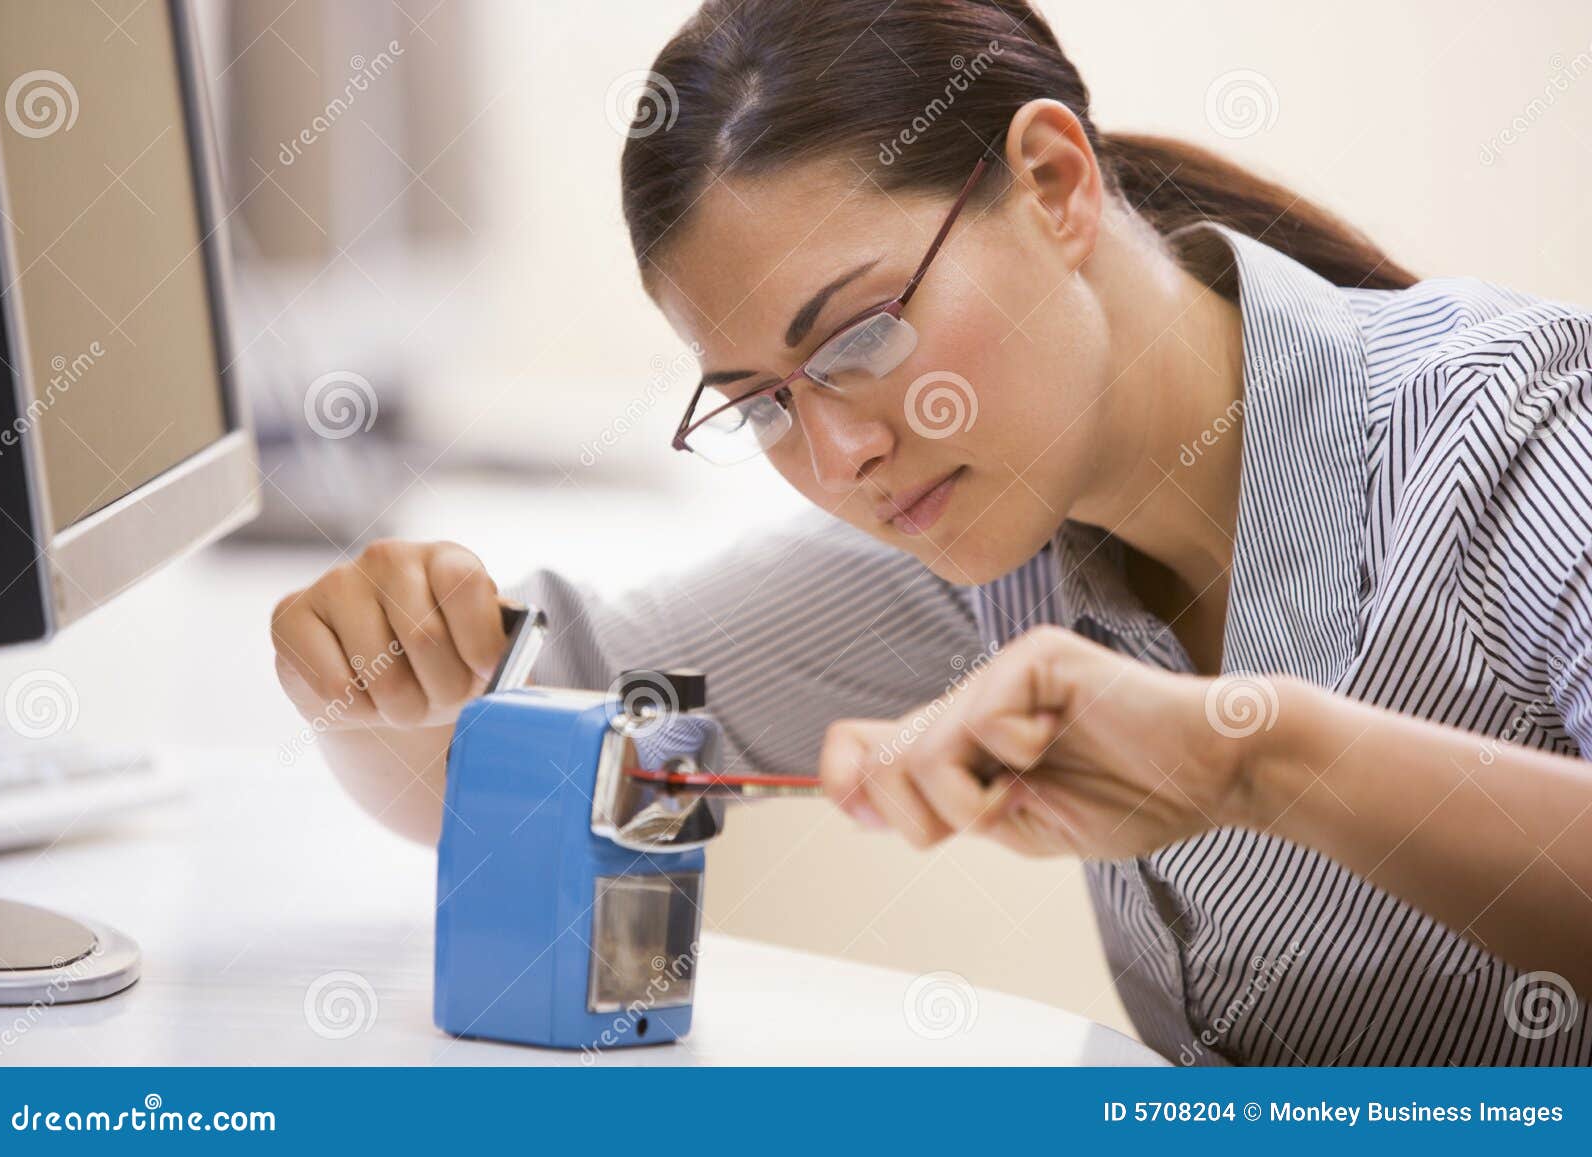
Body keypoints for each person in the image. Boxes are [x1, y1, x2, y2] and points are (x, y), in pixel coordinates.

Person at [269, 0, 1592, 1065]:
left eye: (860, 337)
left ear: (1054, 180)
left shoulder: (1521, 436)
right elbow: (495, 766)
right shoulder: (987, 541)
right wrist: (366, 676)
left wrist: (1260, 759)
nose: (840, 455)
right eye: (762, 407)